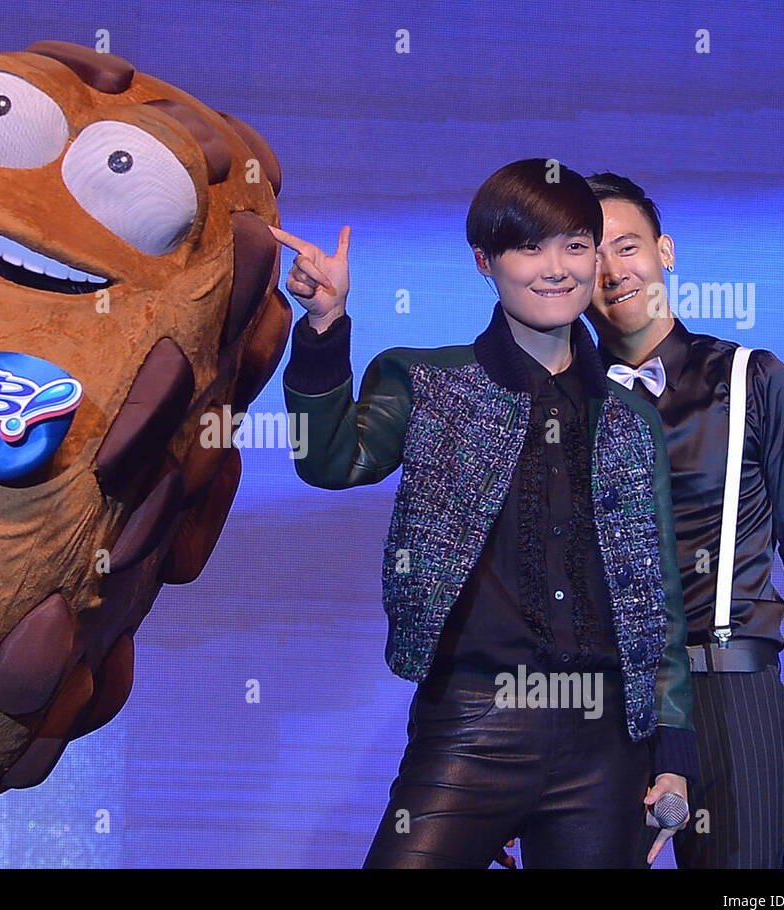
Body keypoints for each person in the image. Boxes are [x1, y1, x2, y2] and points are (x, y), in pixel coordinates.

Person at [277, 158, 696, 868]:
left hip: (606, 738)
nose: (555, 268)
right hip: (471, 718)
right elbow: (327, 460)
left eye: (574, 245)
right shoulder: (426, 380)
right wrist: (324, 325)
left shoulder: (630, 419)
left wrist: (674, 748)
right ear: (485, 260)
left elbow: (659, 598)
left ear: (595, 257)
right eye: (529, 246)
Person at [584, 172, 784, 868]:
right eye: (593, 256)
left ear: (665, 251)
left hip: (732, 693)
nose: (615, 272)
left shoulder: (753, 379)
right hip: (605, 701)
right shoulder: (564, 406)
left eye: (629, 246)